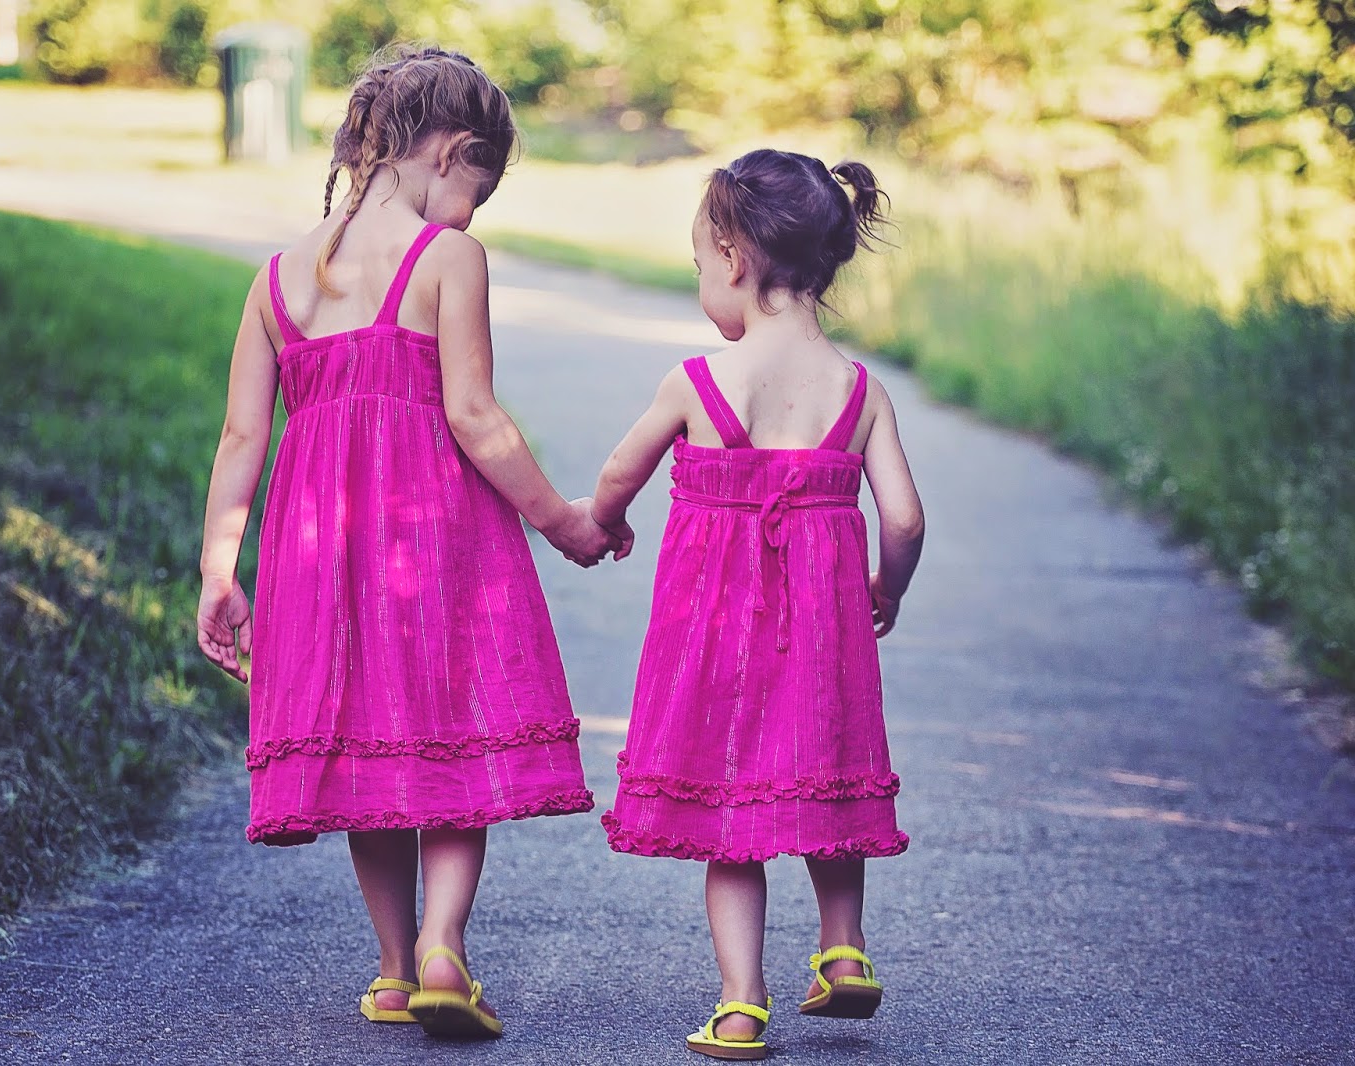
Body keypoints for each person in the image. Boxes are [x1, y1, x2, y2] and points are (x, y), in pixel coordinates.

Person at [195, 44, 617, 1040]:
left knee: (364, 746)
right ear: (450, 153)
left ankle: (391, 969)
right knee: (453, 730)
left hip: (316, 551)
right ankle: (443, 946)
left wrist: (220, 568)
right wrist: (560, 521)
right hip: (436, 539)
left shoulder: (278, 279)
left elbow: (242, 437)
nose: (472, 216)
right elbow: (474, 416)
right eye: (478, 191)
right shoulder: (447, 257)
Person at [590, 148, 926, 1060]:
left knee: (731, 809)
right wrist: (885, 587)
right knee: (830, 774)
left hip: (717, 635)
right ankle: (844, 950)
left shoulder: (698, 384)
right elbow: (903, 513)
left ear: (735, 260)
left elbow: (621, 471)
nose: (706, 278)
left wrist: (603, 524)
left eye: (703, 262)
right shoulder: (859, 393)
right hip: (825, 631)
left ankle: (741, 1004)